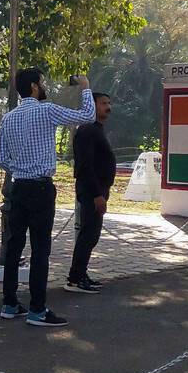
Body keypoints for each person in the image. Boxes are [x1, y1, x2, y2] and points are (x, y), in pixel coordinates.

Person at [0, 69, 96, 327]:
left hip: (17, 188)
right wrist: (85, 87)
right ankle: (37, 309)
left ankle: (9, 303)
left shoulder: (8, 118)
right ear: (34, 86)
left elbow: (1, 159)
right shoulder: (47, 110)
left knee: (14, 248)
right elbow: (88, 115)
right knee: (40, 250)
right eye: (42, 81)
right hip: (40, 188)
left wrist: (20, 169)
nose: (44, 85)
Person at [66, 92, 115, 294]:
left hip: (99, 190)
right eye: (103, 103)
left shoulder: (97, 130)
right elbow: (85, 166)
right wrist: (96, 194)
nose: (108, 107)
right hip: (91, 191)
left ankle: (80, 274)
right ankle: (75, 279)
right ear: (92, 105)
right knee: (88, 235)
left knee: (91, 235)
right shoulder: (87, 130)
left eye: (109, 103)